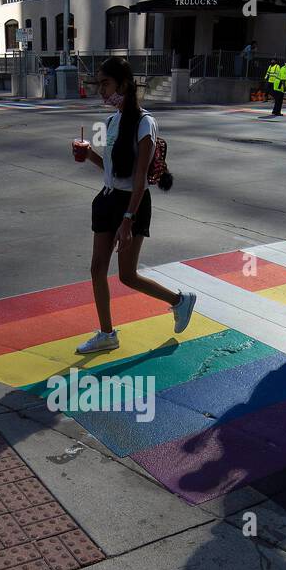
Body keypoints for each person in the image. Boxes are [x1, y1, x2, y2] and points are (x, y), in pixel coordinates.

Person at [72, 56, 193, 355]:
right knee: (97, 268)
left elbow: (139, 180)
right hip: (107, 198)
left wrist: (128, 219)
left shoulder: (144, 123)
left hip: (132, 204)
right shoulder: (111, 121)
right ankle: (107, 334)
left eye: (105, 84)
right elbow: (112, 170)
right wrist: (88, 155)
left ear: (124, 84)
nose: (101, 90)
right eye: (99, 84)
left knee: (127, 275)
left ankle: (180, 300)